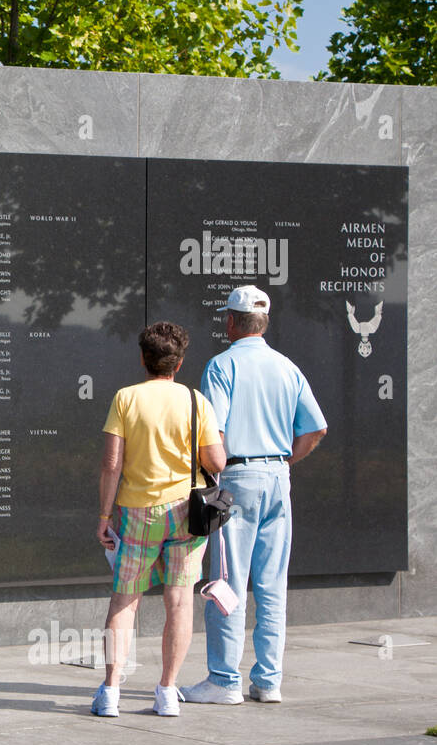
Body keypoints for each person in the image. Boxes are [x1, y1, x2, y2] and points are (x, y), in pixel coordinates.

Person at [182, 286, 327, 705]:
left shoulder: (222, 365)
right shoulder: (287, 367)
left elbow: (215, 434)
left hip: (237, 477)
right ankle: (268, 681)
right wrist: (282, 463)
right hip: (278, 476)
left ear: (230, 321)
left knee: (228, 581)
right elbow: (316, 428)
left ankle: (224, 681)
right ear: (263, 322)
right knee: (272, 584)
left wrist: (216, 473)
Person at [95, 322, 226, 717]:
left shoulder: (126, 399)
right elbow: (216, 461)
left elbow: (111, 464)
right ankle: (167, 691)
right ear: (179, 362)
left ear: (143, 359)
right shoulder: (195, 400)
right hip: (187, 514)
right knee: (179, 603)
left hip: (136, 512)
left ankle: (111, 693)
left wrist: (104, 515)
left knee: (125, 601)